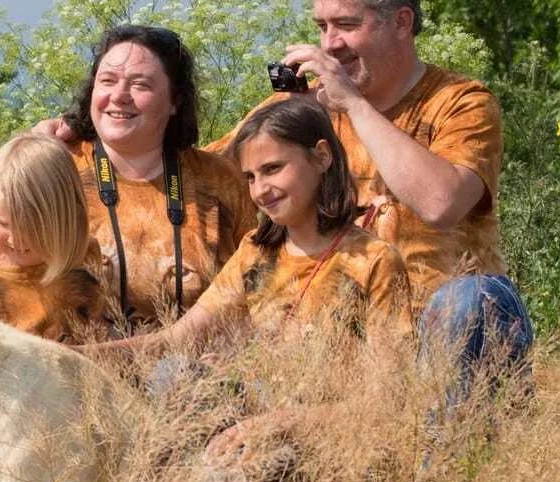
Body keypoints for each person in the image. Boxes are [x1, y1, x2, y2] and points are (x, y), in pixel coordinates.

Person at [211, 0, 532, 397]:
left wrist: (354, 107)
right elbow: (207, 178)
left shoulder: (461, 103)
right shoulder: (303, 106)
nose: (329, 45)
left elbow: (442, 203)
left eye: (346, 24)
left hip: (436, 341)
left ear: (402, 22)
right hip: (331, 347)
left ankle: (443, 461)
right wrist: (84, 138)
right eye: (321, 26)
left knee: (473, 301)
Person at [0, 25, 255, 328]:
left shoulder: (220, 181)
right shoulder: (52, 167)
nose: (120, 95)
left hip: (194, 374)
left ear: (175, 100)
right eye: (108, 80)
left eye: (140, 84)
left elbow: (258, 279)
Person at [93, 96, 411, 360]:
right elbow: (179, 337)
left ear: (322, 157)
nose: (260, 190)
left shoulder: (375, 260)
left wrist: (274, 422)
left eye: (272, 169)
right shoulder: (255, 251)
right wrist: (79, 355)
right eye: (250, 177)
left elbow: (389, 392)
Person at [0, 133, 107, 342]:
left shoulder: (84, 254)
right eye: (3, 224)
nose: (16, 240)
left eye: (32, 228)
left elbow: (96, 325)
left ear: (68, 218)